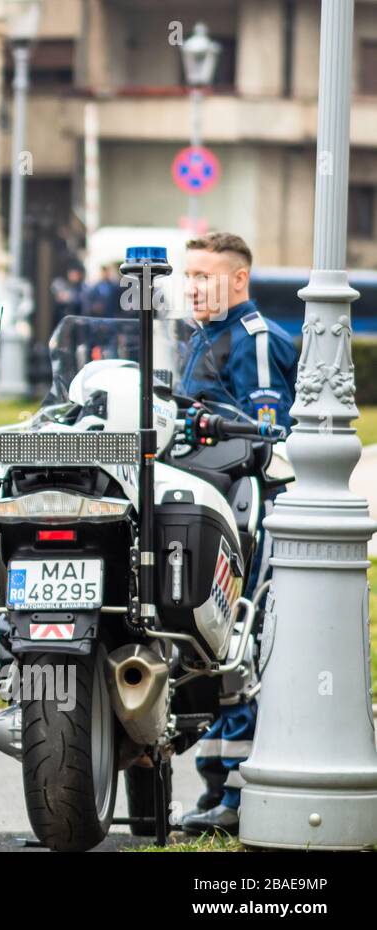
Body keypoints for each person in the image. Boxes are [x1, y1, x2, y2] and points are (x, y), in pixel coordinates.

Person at [176, 231, 298, 837]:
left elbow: (263, 438)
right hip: (211, 512)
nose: (192, 287)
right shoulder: (203, 337)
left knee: (241, 639)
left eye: (205, 276)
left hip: (249, 515)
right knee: (209, 641)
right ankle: (216, 785)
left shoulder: (253, 341)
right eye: (188, 276)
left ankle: (241, 792)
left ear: (239, 280)